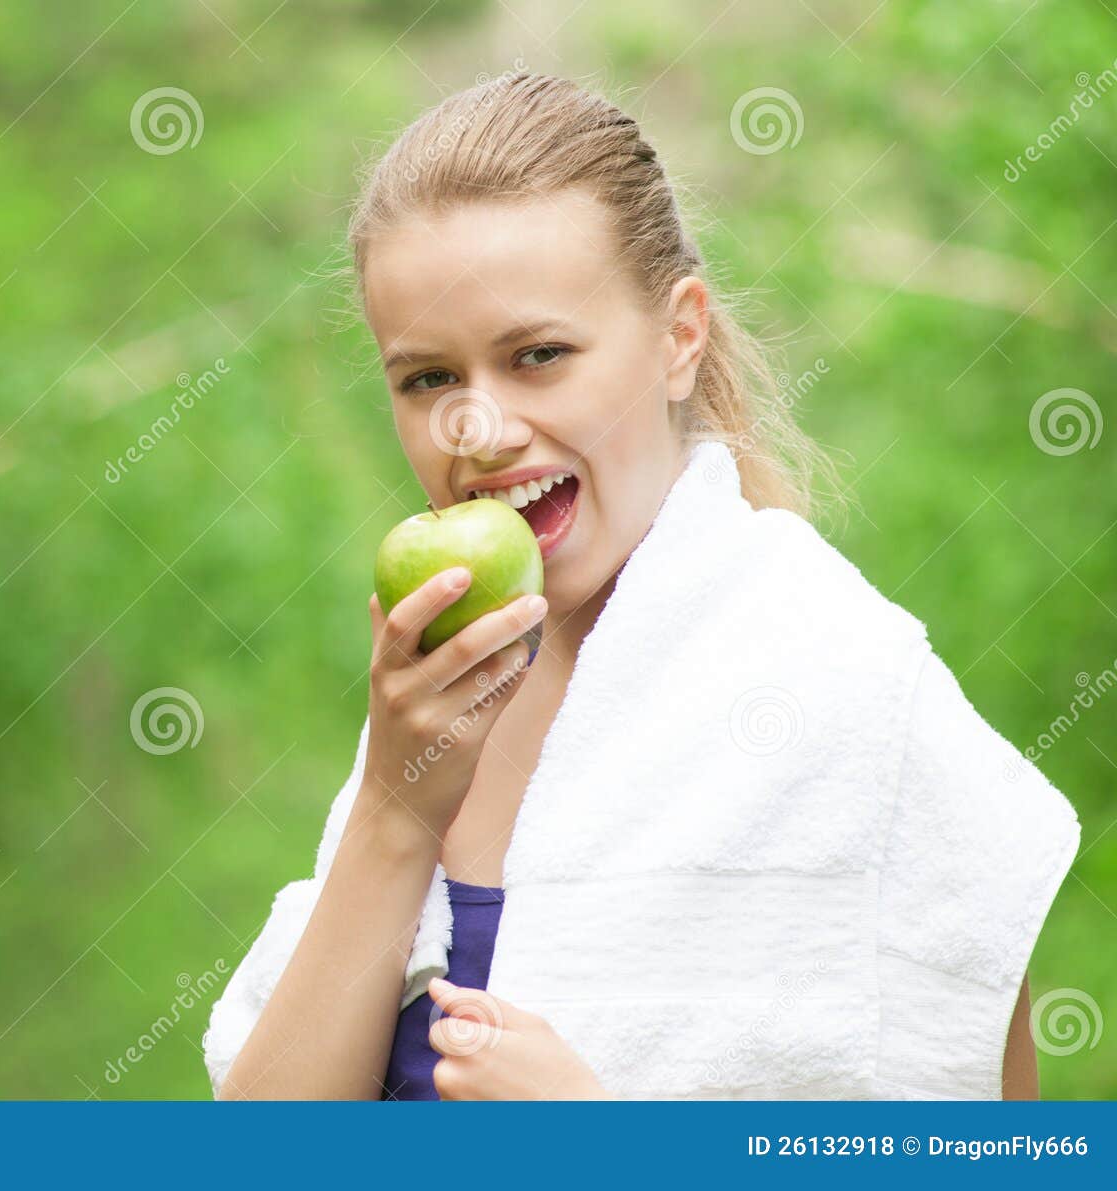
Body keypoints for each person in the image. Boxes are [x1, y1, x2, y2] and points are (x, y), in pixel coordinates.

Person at [202, 73, 1080, 1100]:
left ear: (678, 338)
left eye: (538, 356)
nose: (477, 431)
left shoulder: (852, 696)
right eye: (427, 378)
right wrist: (396, 813)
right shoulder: (438, 694)